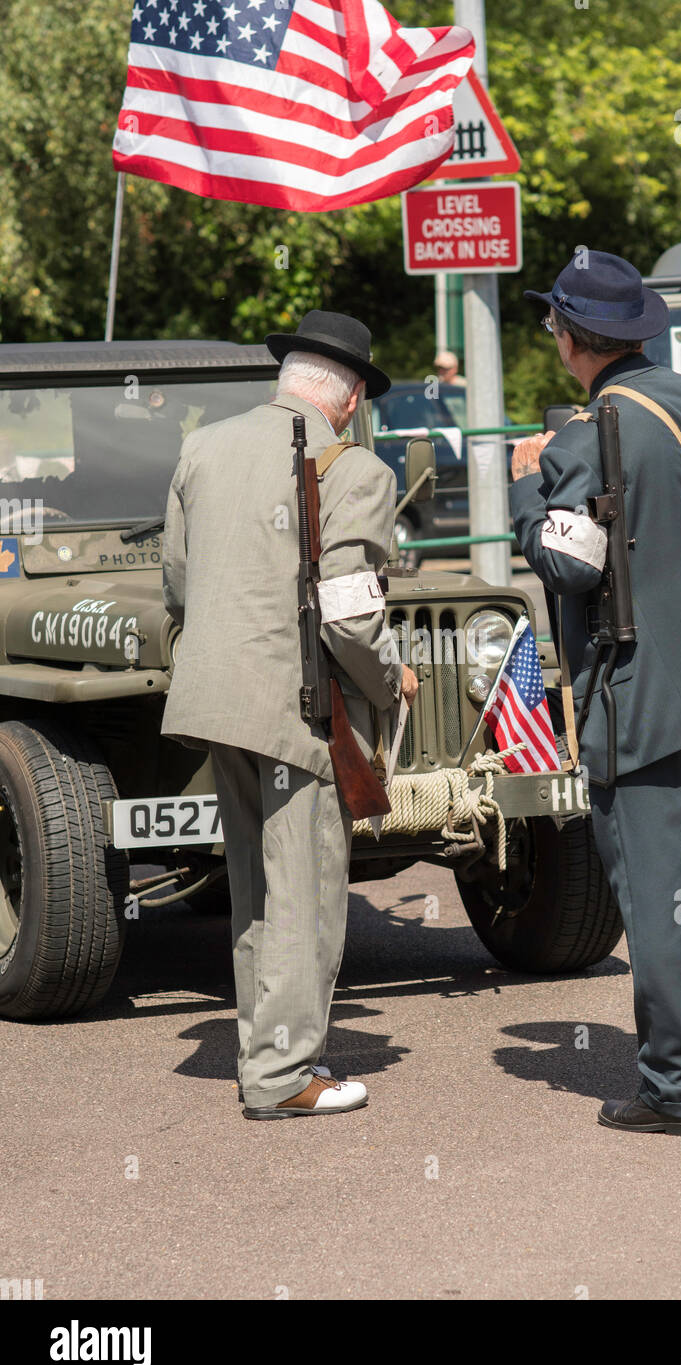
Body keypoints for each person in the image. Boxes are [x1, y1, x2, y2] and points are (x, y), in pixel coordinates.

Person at [510, 250, 681, 1138]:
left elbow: (566, 563)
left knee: (664, 897)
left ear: (568, 336)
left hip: (642, 694)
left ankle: (677, 1087)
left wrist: (527, 486)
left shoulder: (581, 439)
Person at [161, 310, 418, 1120]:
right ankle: (282, 1078)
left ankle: (264, 1051)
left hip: (214, 698)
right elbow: (348, 616)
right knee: (304, 895)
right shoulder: (358, 469)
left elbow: (176, 582)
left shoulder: (202, 447)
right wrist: (390, 680)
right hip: (299, 710)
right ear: (347, 399)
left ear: (288, 381)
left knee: (255, 892)